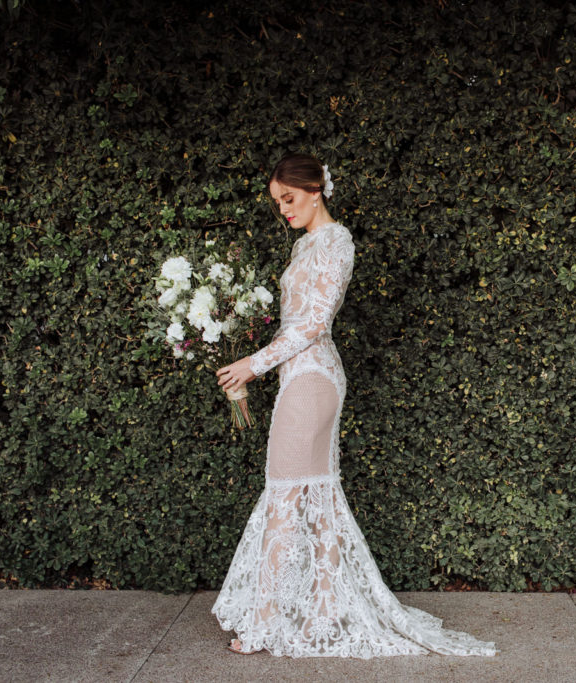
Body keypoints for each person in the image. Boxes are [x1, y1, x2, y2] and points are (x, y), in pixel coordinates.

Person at [211, 152, 498, 658]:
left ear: (316, 190)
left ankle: (264, 626)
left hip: (313, 378)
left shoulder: (337, 242)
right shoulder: (303, 246)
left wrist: (254, 363)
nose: (283, 209)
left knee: (285, 494)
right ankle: (323, 612)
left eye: (290, 198)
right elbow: (291, 323)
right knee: (313, 497)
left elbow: (315, 323)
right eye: (278, 202)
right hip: (297, 376)